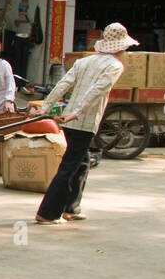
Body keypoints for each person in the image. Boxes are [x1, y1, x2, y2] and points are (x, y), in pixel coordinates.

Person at [34, 22, 136, 225]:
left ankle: (71, 209)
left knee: (83, 162)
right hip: (83, 122)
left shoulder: (84, 61)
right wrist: (78, 112)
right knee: (69, 167)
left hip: (71, 120)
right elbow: (97, 90)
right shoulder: (115, 66)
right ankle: (47, 212)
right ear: (121, 47)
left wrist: (46, 107)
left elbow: (64, 83)